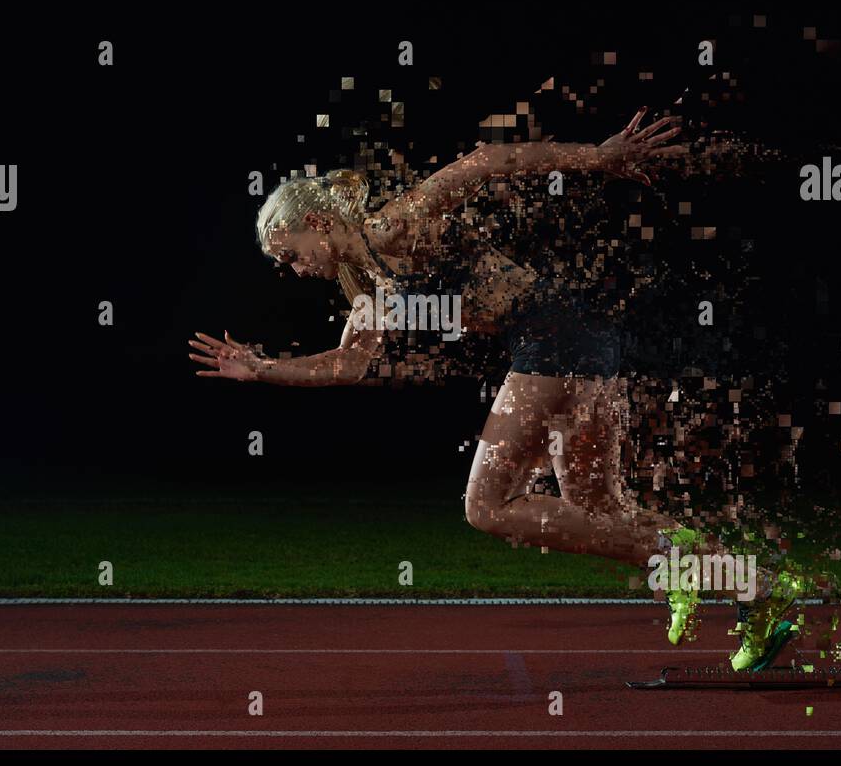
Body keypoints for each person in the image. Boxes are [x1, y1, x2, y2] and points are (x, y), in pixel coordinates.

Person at [190, 108, 798, 670]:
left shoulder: (396, 225)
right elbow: (349, 366)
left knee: (486, 506)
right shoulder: (371, 290)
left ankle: (687, 563)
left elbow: (487, 161)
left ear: (319, 223)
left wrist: (601, 156)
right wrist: (261, 368)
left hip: (555, 339)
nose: (296, 271)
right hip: (581, 341)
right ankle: (756, 585)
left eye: (291, 255)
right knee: (601, 513)